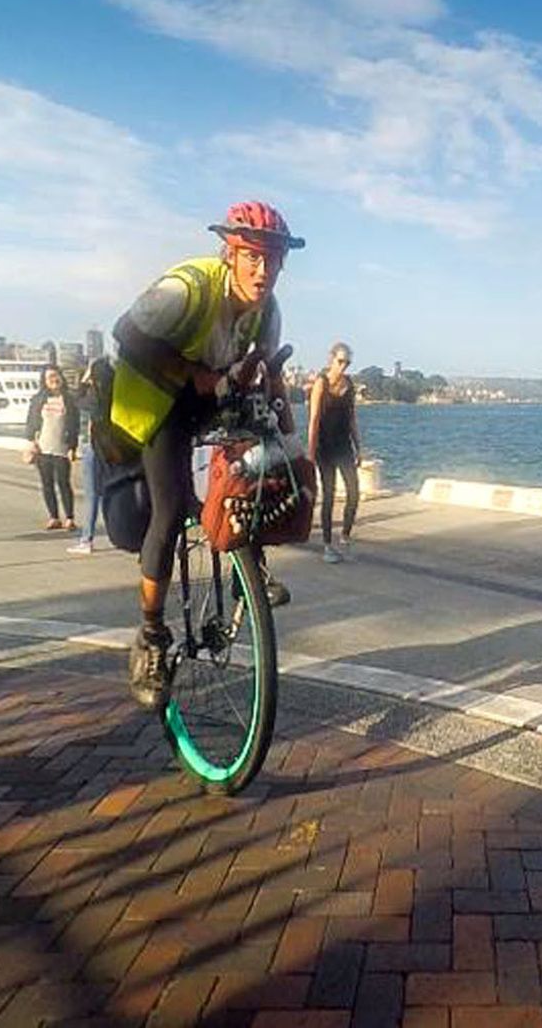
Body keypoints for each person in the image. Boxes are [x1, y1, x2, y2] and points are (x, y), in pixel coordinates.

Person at [110, 200, 300, 708]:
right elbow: (125, 333)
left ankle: (248, 571)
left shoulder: (268, 312)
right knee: (171, 510)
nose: (263, 271)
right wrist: (194, 375)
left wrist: (288, 439)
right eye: (252, 258)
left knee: (264, 471)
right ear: (230, 255)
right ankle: (150, 637)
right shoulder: (187, 288)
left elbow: (270, 378)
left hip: (211, 394)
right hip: (155, 399)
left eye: (273, 261)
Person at [309, 341, 363, 562]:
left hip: (344, 446)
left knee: (354, 492)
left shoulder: (349, 385)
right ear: (331, 359)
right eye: (340, 361)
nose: (343, 367)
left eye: (347, 363)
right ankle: (327, 545)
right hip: (324, 447)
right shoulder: (321, 383)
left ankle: (345, 537)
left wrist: (359, 447)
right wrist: (311, 452)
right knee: (329, 495)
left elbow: (352, 419)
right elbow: (314, 419)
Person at [25, 366, 79, 531]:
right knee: (47, 484)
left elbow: (75, 426)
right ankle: (54, 517)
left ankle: (69, 518)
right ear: (44, 381)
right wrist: (31, 442)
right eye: (50, 377)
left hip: (61, 448)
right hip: (43, 448)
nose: (54, 379)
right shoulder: (39, 399)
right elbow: (31, 422)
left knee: (64, 483)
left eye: (56, 375)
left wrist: (72, 446)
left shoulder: (68, 400)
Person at [67, 359, 109, 555]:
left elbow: (76, 400)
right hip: (111, 448)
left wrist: (84, 381)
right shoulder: (113, 394)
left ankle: (87, 539)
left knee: (92, 494)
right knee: (110, 491)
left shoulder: (93, 396)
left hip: (93, 447)